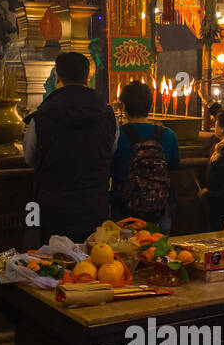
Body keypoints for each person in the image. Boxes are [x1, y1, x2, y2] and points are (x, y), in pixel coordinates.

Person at [23, 51, 118, 243]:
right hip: (94, 209)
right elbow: (112, 149)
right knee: (93, 266)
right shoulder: (108, 115)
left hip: (52, 212)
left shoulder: (41, 117)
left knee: (53, 266)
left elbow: (29, 158)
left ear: (57, 76)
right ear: (87, 77)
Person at [112, 81, 179, 234]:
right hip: (159, 211)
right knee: (159, 254)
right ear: (150, 105)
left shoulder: (117, 135)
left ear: (123, 106)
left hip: (124, 212)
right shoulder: (168, 134)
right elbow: (174, 166)